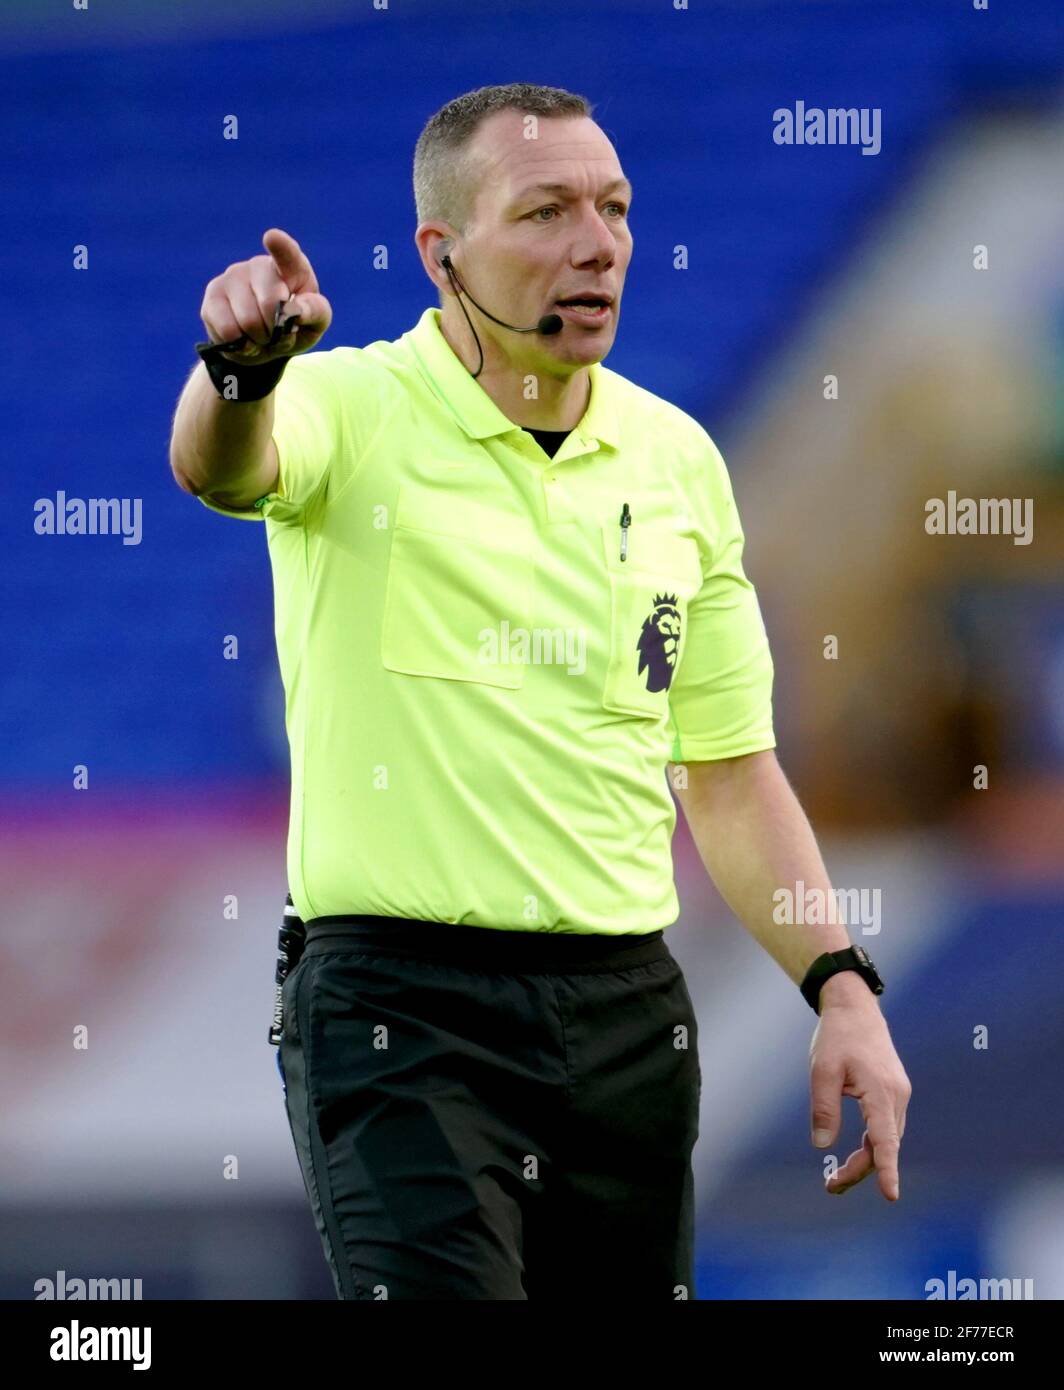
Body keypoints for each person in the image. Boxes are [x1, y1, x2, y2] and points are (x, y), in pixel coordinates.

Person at [168, 82, 911, 1301]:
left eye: (613, 208)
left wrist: (840, 985)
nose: (598, 243)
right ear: (441, 253)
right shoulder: (351, 405)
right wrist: (238, 374)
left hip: (625, 1015)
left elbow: (725, 772)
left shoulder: (675, 459)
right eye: (546, 210)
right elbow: (217, 465)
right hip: (400, 1014)